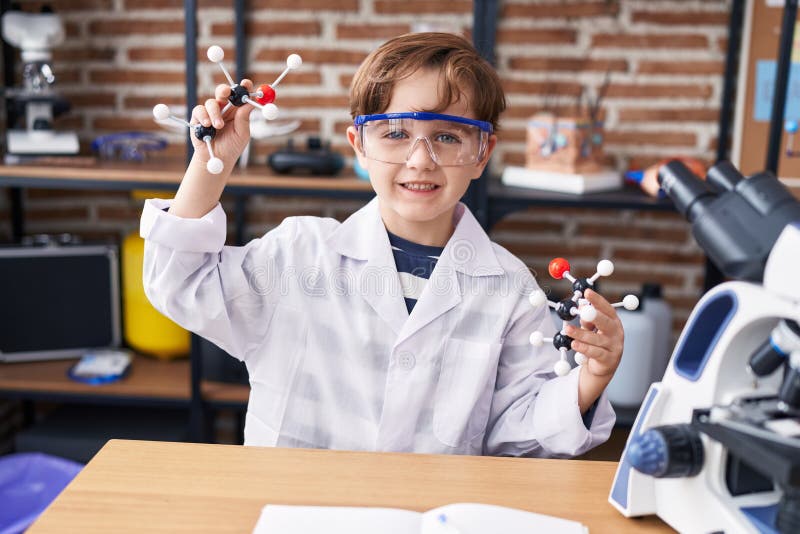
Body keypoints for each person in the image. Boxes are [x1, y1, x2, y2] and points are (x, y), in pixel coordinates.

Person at [140, 32, 624, 456]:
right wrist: (212, 163)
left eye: (449, 137)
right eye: (394, 133)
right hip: (300, 510)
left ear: (483, 154)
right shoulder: (296, 255)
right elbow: (180, 284)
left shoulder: (511, 289)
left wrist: (590, 379)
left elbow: (517, 435)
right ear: (359, 145)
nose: (420, 160)